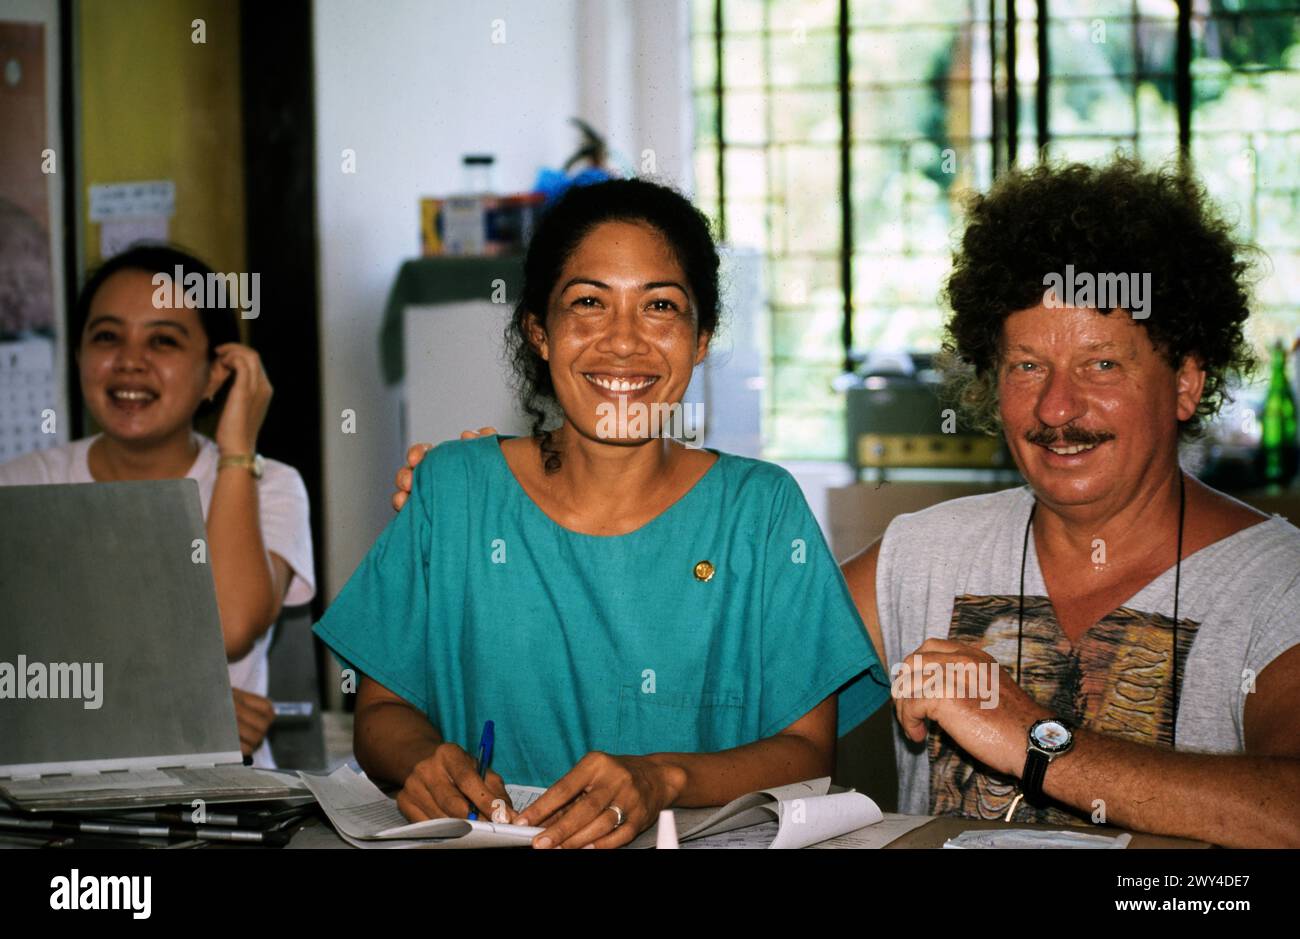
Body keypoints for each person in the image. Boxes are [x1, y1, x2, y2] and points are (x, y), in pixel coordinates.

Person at [314, 177, 889, 849]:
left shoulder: (761, 513)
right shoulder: (454, 491)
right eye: (588, 302)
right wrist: (421, 759)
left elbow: (806, 751)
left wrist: (663, 778)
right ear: (540, 331)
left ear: (700, 338)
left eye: (661, 307)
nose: (623, 342)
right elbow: (381, 710)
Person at [839, 157, 1300, 847]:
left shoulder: (1273, 582)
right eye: (1028, 365)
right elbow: (734, 682)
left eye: (1102, 364)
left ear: (1185, 382)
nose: (1057, 406)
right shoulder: (921, 553)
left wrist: (1034, 738)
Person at [0, 244, 315, 767]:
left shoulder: (270, 484)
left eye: (163, 340)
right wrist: (173, 715)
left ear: (216, 373)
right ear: (78, 356)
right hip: (49, 803)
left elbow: (231, 631)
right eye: (106, 336)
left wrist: (237, 452)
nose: (129, 362)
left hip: (223, 813)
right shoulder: (20, 486)